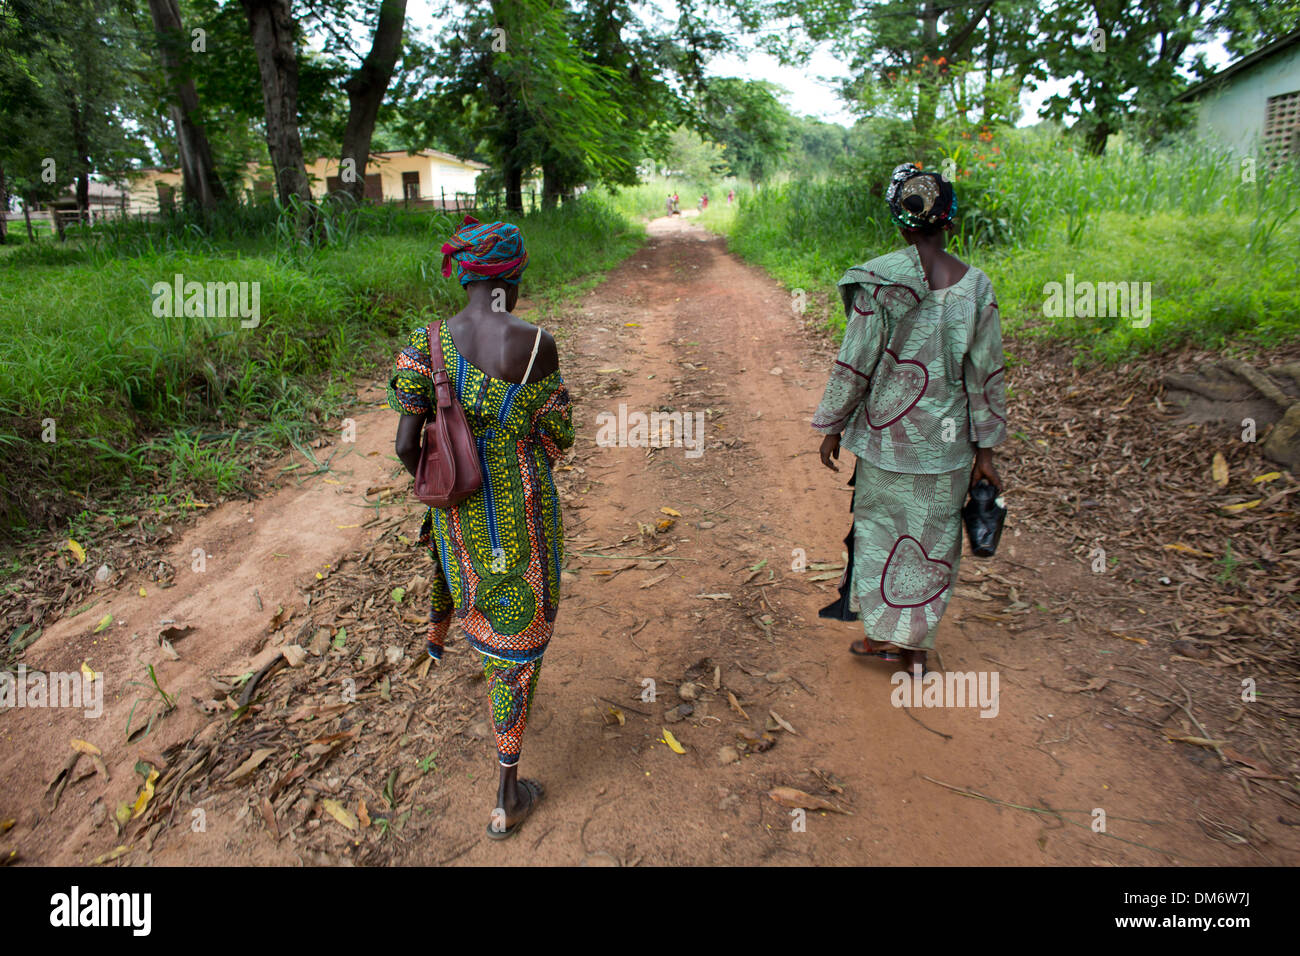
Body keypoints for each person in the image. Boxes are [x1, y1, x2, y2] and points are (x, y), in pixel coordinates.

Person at [389, 215, 574, 838]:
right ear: (512, 278)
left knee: (485, 612)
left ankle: (504, 757)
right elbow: (562, 435)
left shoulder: (425, 344)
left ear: (464, 275)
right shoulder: (537, 343)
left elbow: (405, 444)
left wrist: (449, 479)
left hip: (460, 518)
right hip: (523, 515)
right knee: (520, 636)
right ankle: (505, 790)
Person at [811, 163, 1007, 676]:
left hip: (887, 446)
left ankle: (883, 640)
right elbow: (985, 376)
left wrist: (834, 424)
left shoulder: (879, 281)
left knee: (880, 537)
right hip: (949, 452)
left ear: (899, 225)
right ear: (952, 222)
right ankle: (917, 649)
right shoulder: (977, 289)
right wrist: (985, 454)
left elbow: (855, 362)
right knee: (934, 545)